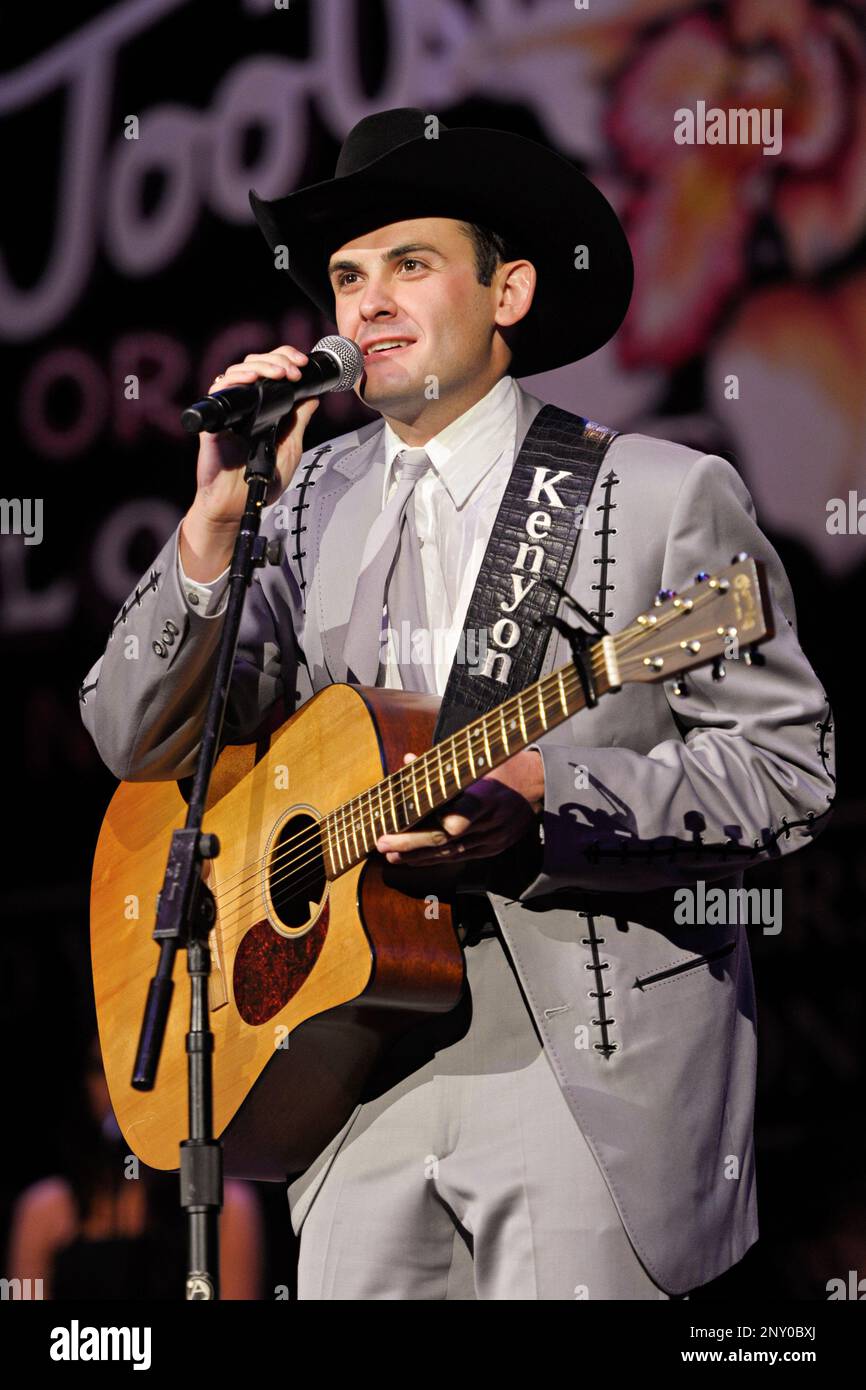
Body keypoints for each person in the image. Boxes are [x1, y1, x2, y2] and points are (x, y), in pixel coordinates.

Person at [79, 108, 835, 1300]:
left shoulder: (657, 494)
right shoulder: (291, 501)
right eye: (344, 276)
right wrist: (209, 536)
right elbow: (133, 736)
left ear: (509, 291)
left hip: (584, 1076)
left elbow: (789, 772)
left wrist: (554, 801)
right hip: (344, 1066)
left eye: (408, 264)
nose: (365, 303)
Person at [6, 1032, 264, 1299]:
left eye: (135, 1068)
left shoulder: (225, 1204)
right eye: (103, 1069)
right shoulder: (44, 1209)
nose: (119, 1089)